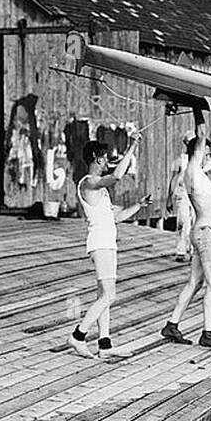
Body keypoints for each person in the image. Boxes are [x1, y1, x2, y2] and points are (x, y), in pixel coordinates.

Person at [68, 137, 151, 359]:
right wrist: (132, 146)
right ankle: (77, 336)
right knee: (109, 296)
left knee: (103, 296)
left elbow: (118, 216)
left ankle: (104, 345)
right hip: (99, 244)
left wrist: (139, 205)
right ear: (97, 158)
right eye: (105, 159)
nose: (108, 162)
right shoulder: (88, 182)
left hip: (107, 243)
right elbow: (116, 176)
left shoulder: (101, 192)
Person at [162, 110, 211, 351]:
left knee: (195, 282)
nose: (207, 153)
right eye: (203, 149)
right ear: (196, 151)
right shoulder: (192, 169)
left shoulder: (197, 170)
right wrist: (198, 106)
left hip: (200, 232)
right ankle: (208, 332)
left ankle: (172, 324)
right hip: (206, 233)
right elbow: (201, 133)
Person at [166, 144, 193, 262]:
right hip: (182, 194)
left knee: (195, 222)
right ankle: (181, 250)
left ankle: (193, 251)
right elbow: (173, 179)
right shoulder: (179, 160)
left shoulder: (199, 159)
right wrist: (169, 198)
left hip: (195, 194)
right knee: (183, 222)